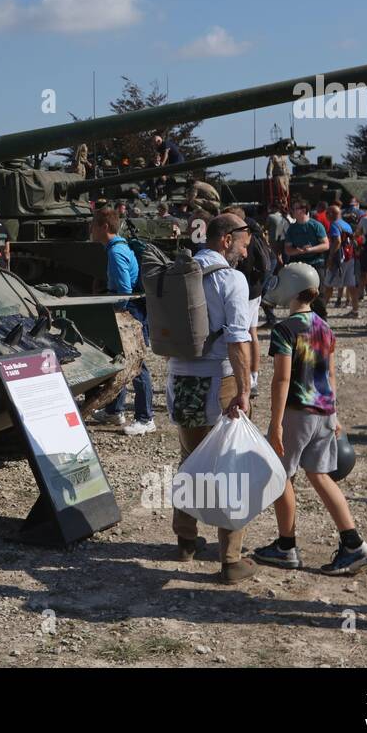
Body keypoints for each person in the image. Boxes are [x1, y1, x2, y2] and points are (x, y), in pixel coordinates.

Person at [252, 263, 367, 574]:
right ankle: (353, 543)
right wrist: (334, 414)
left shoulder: (285, 329)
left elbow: (282, 380)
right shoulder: (324, 326)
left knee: (282, 477)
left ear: (292, 288)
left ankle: (286, 546)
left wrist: (275, 422)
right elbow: (331, 374)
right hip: (323, 413)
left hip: (297, 412)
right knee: (320, 476)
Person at [165, 213, 256, 583]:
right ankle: (231, 560)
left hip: (179, 380)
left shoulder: (177, 273)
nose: (246, 252)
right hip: (219, 380)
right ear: (225, 240)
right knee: (230, 466)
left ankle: (186, 541)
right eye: (244, 243)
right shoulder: (230, 279)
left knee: (191, 460)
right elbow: (237, 337)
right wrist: (246, 389)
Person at [89, 207, 155, 435]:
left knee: (138, 366)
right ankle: (115, 410)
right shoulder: (118, 247)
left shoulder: (116, 252)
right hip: (132, 309)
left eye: (93, 225)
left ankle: (146, 418)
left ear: (104, 227)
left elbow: (124, 289)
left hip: (130, 312)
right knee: (121, 360)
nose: (91, 230)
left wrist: (117, 312)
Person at [224, 205, 268, 398]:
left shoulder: (242, 240)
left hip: (246, 293)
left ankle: (248, 379)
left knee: (243, 335)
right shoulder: (255, 236)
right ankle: (253, 377)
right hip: (255, 291)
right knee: (252, 333)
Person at [321, 203, 359, 314]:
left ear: (331, 214)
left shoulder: (334, 225)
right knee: (351, 285)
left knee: (328, 285)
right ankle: (355, 310)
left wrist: (331, 257)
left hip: (338, 260)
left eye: (327, 213)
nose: (326, 215)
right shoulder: (346, 225)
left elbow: (337, 241)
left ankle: (321, 310)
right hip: (349, 258)